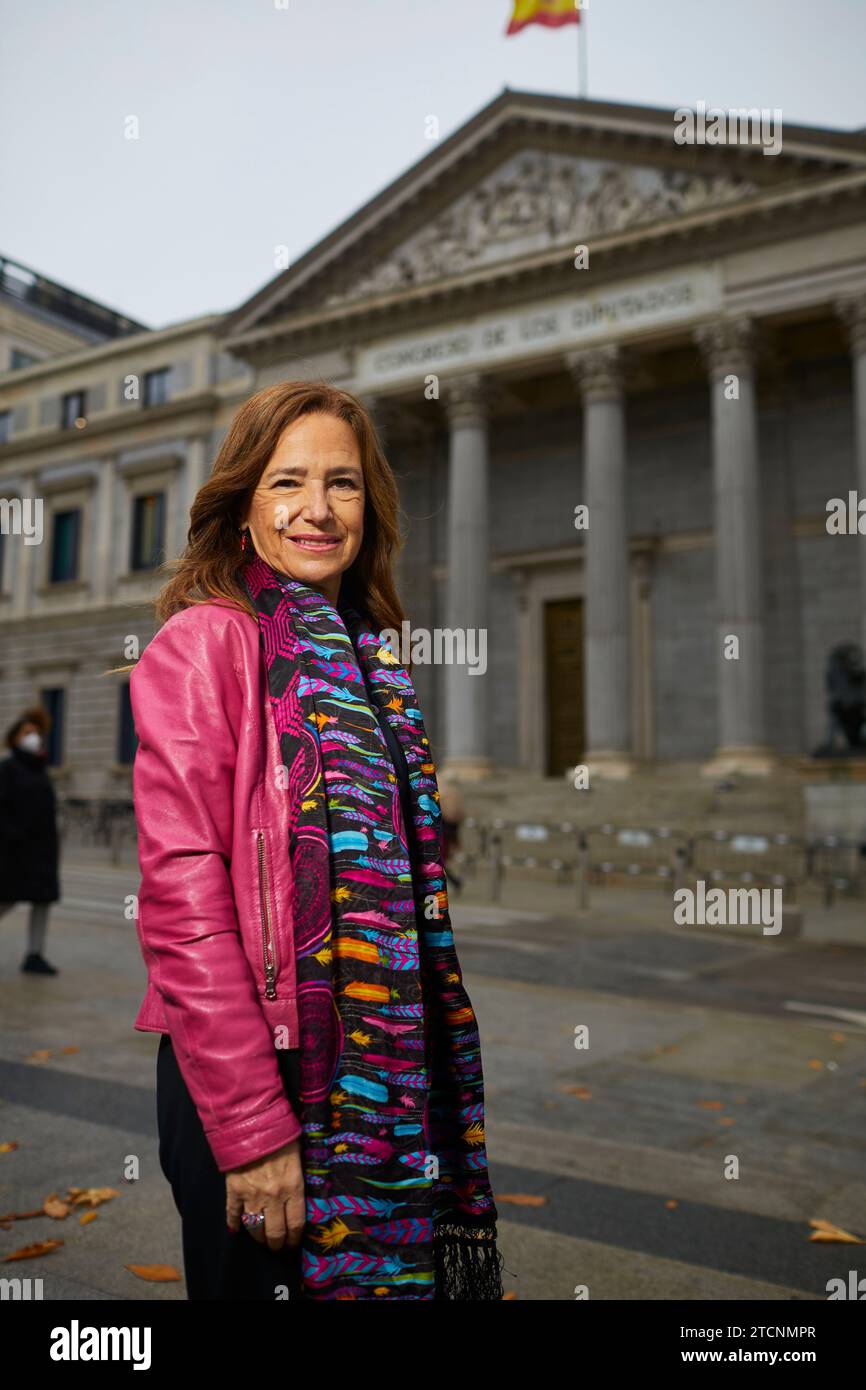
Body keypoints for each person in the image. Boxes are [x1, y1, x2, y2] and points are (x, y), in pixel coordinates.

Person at [124, 380, 505, 1301]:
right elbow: (182, 903)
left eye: (342, 483)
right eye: (287, 481)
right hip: (258, 1068)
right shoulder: (205, 645)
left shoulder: (373, 664)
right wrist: (253, 1129)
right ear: (243, 507)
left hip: (380, 1069)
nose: (317, 509)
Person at [0, 706, 61, 975]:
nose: (33, 737)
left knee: (42, 900)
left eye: (36, 732)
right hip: (14, 848)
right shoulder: (7, 768)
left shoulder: (40, 769)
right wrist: (13, 835)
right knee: (7, 898)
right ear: (15, 737)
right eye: (27, 732)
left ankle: (35, 954)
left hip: (43, 849)